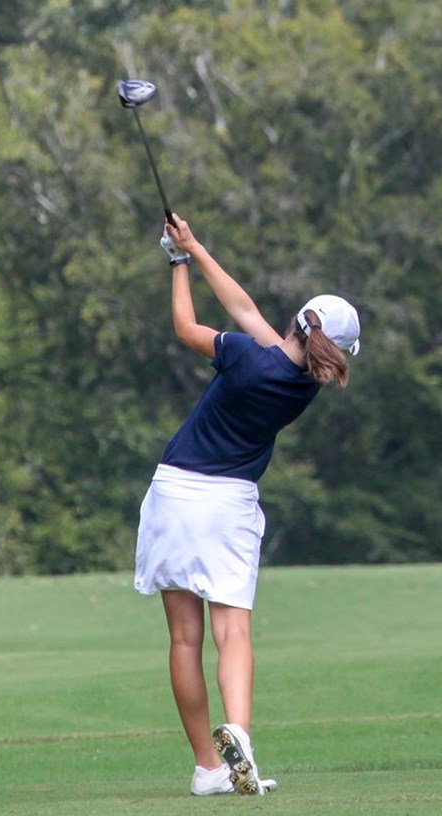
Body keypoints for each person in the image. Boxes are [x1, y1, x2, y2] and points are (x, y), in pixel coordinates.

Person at [135, 211, 361, 798]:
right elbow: (244, 310)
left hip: (173, 492)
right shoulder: (303, 382)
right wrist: (195, 247)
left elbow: (189, 325)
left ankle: (208, 767)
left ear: (298, 321)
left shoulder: (242, 355)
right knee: (231, 633)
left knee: (184, 639)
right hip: (227, 505)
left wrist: (178, 262)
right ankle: (239, 735)